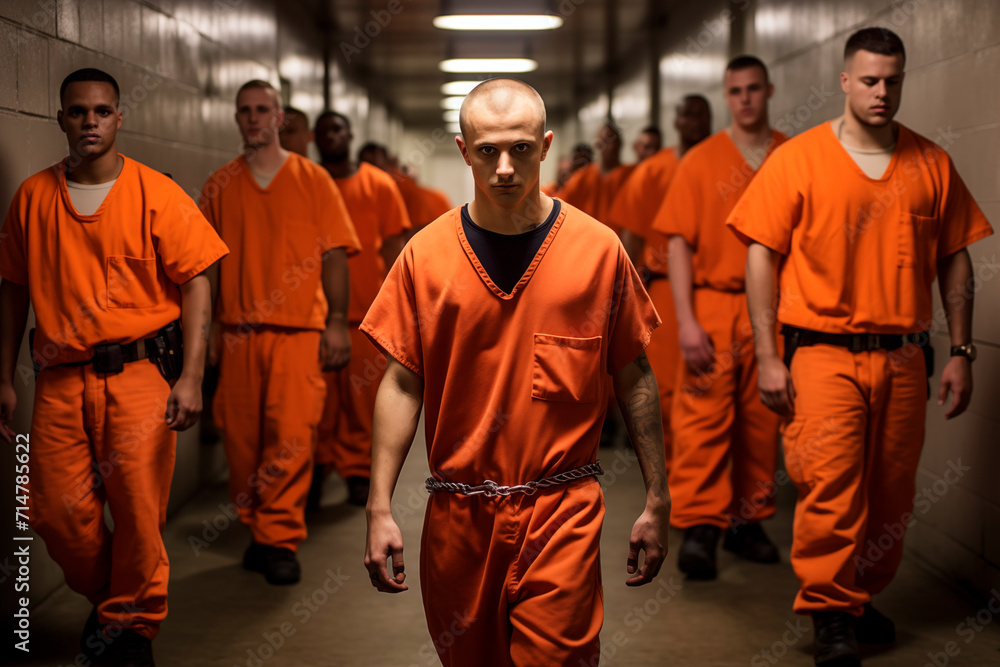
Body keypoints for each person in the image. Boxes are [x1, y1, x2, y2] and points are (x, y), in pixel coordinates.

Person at [362, 78, 670, 666]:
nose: (505, 167)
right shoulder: (425, 257)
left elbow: (634, 375)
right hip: (459, 517)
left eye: (521, 149)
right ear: (463, 151)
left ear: (547, 145)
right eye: (488, 151)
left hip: (564, 509)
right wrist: (379, 507)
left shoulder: (597, 251)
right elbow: (403, 381)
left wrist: (658, 497)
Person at [727, 28, 993, 666]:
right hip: (822, 352)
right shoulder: (799, 161)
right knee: (831, 486)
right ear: (845, 81)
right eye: (869, 80)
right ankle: (828, 612)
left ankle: (856, 594)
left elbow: (955, 260)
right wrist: (767, 354)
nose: (881, 92)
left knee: (891, 492)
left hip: (904, 357)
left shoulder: (930, 163)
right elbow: (761, 256)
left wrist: (962, 350)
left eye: (892, 80)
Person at [0, 68, 228, 667]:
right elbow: (12, 289)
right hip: (57, 381)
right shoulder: (33, 197)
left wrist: (191, 376)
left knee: (136, 511)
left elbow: (198, 281)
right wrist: (2, 376)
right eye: (78, 112)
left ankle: (129, 629)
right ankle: (111, 603)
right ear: (61, 119)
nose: (90, 122)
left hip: (138, 376)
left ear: (119, 118)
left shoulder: (156, 193)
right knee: (52, 512)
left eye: (102, 111)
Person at [199, 80, 361, 586]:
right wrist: (203, 332)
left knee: (291, 438)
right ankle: (258, 529)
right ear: (237, 118)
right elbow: (205, 268)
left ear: (280, 118)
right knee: (242, 443)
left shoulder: (313, 180)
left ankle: (280, 538)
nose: (253, 118)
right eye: (244, 110)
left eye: (262, 109)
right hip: (238, 335)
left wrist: (337, 321)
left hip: (298, 333)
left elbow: (335, 254)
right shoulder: (219, 185)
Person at [653, 56, 786, 580]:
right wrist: (684, 320)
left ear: (768, 89)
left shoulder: (790, 155)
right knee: (702, 419)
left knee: (761, 421)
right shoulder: (701, 161)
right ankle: (701, 525)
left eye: (754, 88)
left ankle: (748, 520)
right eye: (736, 90)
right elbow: (680, 244)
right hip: (712, 302)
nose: (746, 98)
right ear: (727, 96)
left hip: (772, 311)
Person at [309, 110, 411, 508]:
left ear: (350, 133)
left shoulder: (378, 185)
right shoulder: (309, 183)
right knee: (318, 406)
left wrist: (397, 313)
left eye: (337, 128)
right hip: (312, 318)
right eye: (323, 131)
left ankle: (356, 473)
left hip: (367, 317)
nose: (330, 136)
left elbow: (393, 251)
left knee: (362, 404)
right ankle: (316, 470)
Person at [608, 95, 712, 475]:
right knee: (665, 389)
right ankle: (672, 479)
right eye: (687, 115)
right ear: (676, 120)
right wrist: (628, 299)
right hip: (663, 289)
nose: (694, 122)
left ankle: (703, 486)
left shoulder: (723, 165)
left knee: (710, 389)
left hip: (717, 290)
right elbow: (632, 239)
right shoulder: (654, 171)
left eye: (701, 115)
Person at [559, 123, 635, 228]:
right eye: (606, 141)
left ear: (620, 144)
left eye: (614, 141)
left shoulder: (630, 175)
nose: (611, 146)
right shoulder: (581, 178)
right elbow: (562, 211)